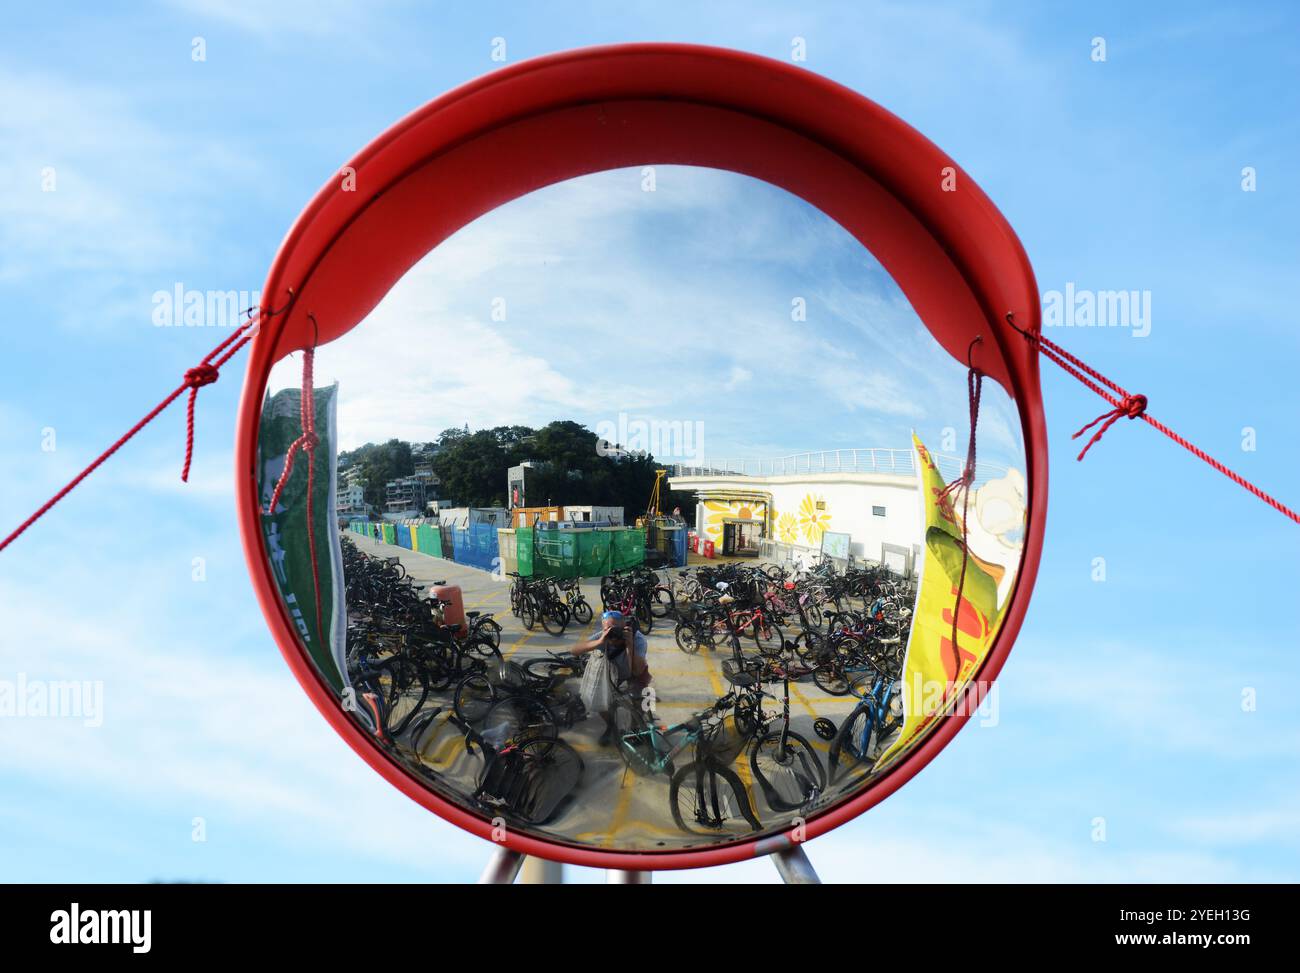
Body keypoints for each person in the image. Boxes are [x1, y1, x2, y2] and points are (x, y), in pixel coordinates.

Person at [571, 610, 651, 744]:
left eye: (617, 629)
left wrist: (630, 645)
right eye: (609, 629)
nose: (614, 634)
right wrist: (600, 642)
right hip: (612, 671)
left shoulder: (638, 639)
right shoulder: (604, 636)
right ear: (604, 629)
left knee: (643, 700)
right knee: (599, 700)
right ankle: (611, 726)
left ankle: (636, 728)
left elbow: (637, 671)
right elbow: (574, 650)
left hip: (633, 672)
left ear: (624, 626)